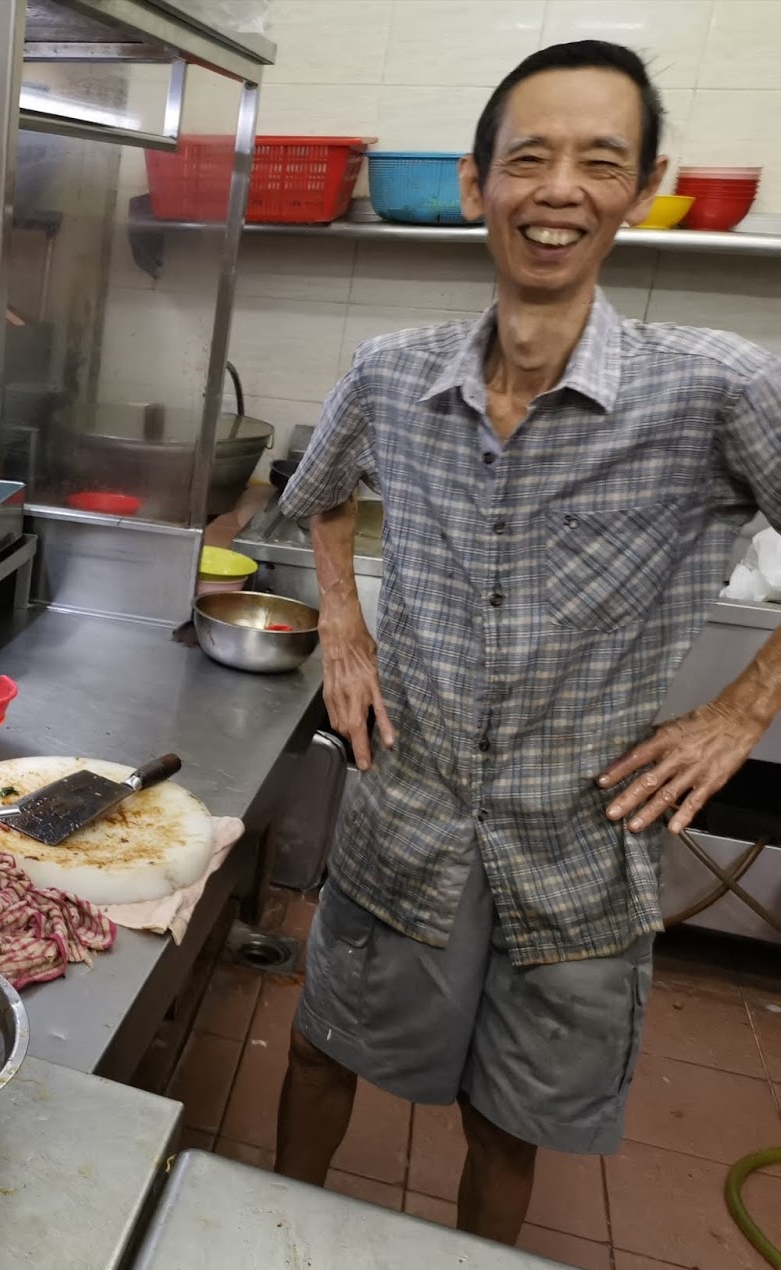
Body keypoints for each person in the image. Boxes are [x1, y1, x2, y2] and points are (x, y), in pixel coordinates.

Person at [274, 39, 781, 1245]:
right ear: (475, 184)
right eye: (528, 159)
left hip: (576, 845)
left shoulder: (714, 386)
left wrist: (740, 710)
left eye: (599, 162)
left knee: (506, 1126)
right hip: (408, 813)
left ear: (642, 188)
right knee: (317, 1051)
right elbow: (319, 492)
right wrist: (343, 623)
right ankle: (267, 1237)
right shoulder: (391, 374)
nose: (559, 191)